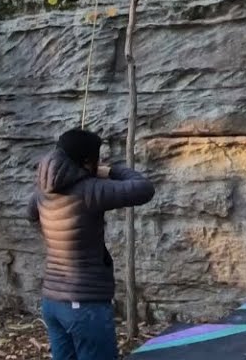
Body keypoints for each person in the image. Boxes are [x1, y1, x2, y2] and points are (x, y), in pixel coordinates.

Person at [27, 128, 155, 360]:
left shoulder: (43, 190)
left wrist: (55, 235)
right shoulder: (89, 190)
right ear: (87, 161)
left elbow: (31, 214)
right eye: (97, 159)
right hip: (84, 306)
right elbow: (144, 188)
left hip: (53, 302)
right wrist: (110, 171)